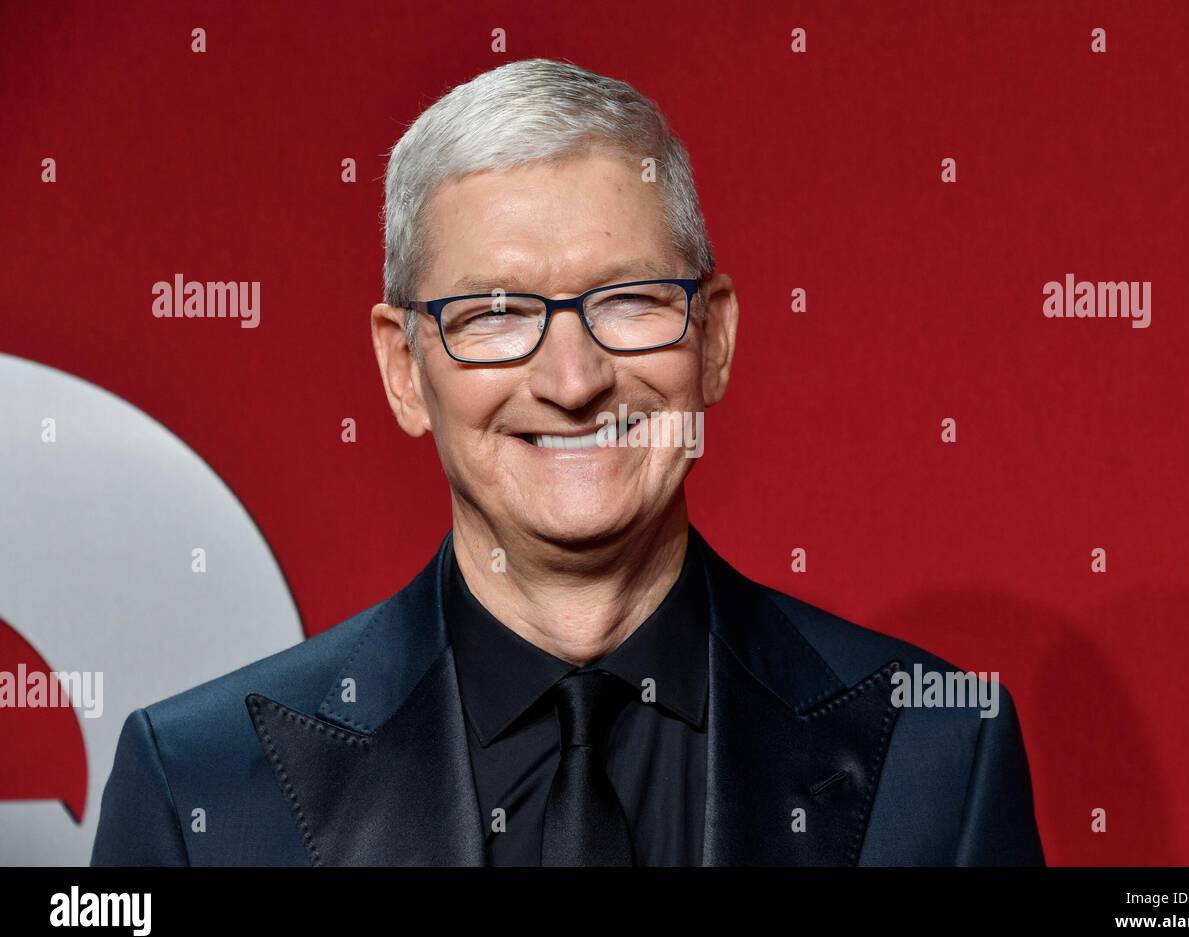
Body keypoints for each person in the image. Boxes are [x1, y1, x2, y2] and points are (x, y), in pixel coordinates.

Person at [91, 58, 1044, 866]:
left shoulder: (942, 757)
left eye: (627, 298)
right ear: (404, 371)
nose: (574, 379)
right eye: (496, 314)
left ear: (711, 339)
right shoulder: (201, 788)